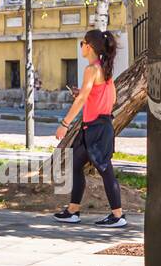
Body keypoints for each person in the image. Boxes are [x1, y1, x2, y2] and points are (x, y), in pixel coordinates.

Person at [53, 29, 126, 227]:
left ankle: (118, 216)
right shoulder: (104, 69)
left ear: (90, 46)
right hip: (93, 128)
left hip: (97, 129)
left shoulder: (92, 70)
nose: (81, 46)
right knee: (76, 165)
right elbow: (111, 98)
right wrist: (88, 96)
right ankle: (73, 211)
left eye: (83, 43)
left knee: (105, 170)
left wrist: (64, 124)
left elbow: (84, 98)